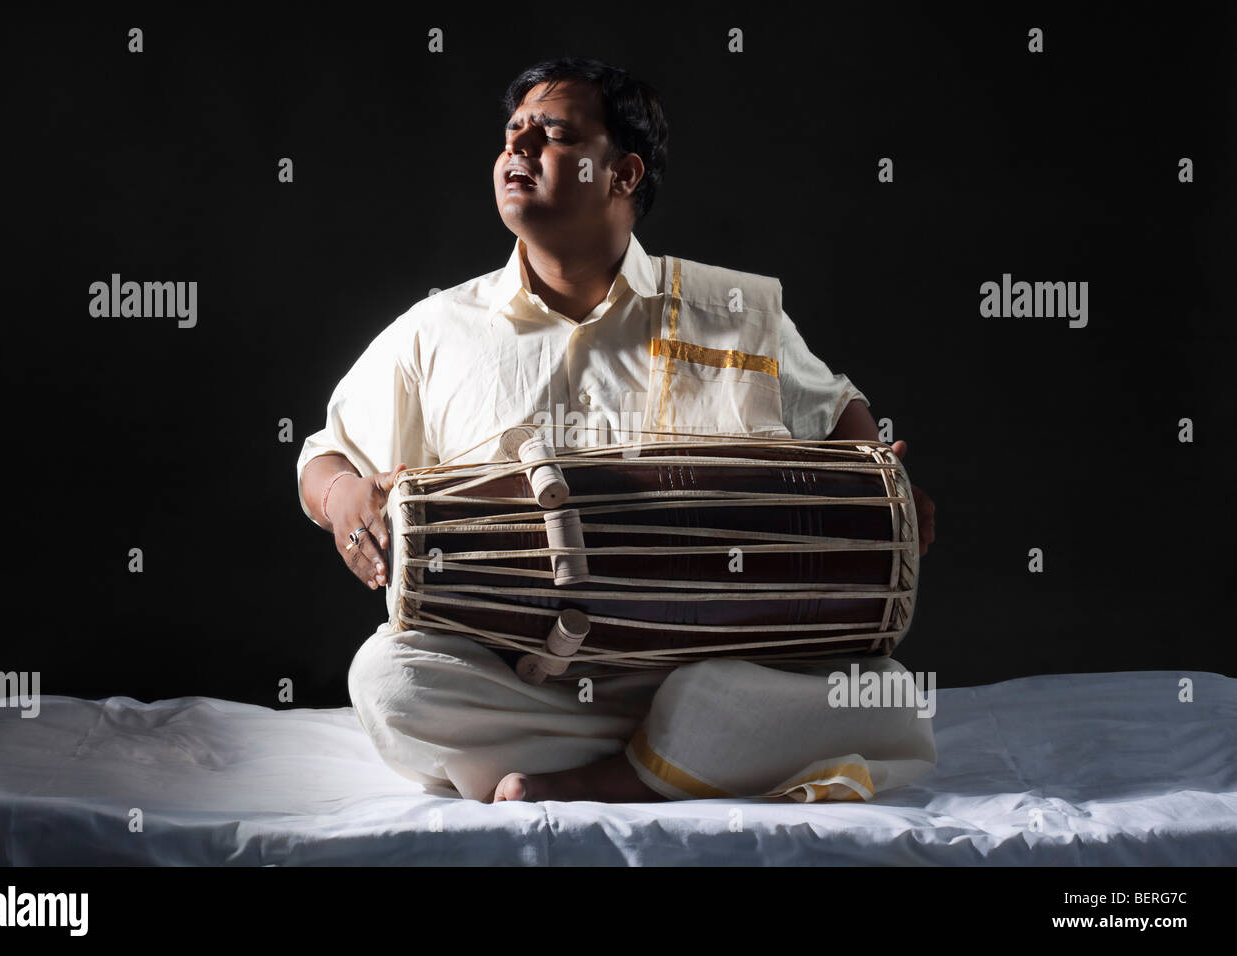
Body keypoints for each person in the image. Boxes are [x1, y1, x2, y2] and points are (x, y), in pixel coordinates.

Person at [297, 57, 937, 803]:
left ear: (624, 174)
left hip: (721, 662)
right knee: (391, 682)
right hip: (534, 679)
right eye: (513, 132)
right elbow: (325, 453)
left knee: (885, 694)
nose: (518, 148)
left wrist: (889, 498)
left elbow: (845, 426)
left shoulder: (731, 310)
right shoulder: (439, 329)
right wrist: (345, 498)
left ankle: (612, 769)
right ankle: (679, 758)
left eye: (554, 133)